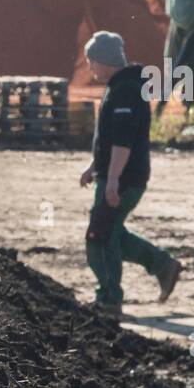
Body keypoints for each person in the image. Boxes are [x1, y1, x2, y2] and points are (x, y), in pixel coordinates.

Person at [79, 31, 182, 319]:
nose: (90, 68)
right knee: (113, 234)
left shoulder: (125, 90)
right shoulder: (123, 86)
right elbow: (111, 138)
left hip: (124, 179)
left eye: (92, 62)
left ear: (104, 60)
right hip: (121, 176)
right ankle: (163, 266)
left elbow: (122, 142)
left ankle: (109, 299)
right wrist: (94, 168)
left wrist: (112, 180)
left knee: (99, 236)